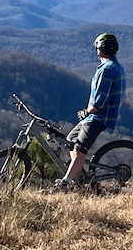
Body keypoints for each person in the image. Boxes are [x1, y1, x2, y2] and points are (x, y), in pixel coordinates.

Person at [54, 32, 126, 191]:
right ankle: (78, 174)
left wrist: (87, 112)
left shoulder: (106, 70)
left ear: (100, 50)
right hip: (96, 116)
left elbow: (100, 101)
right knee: (71, 140)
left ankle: (66, 183)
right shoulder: (117, 67)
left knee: (80, 151)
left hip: (97, 117)